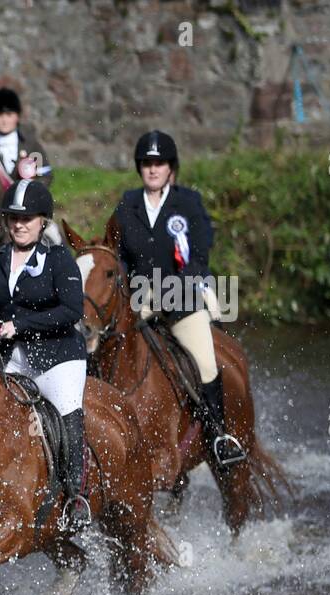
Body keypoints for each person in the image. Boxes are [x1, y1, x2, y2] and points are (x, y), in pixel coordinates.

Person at [0, 179, 91, 530]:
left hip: (58, 357)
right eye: (14, 217)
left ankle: (77, 497)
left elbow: (72, 310)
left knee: (66, 411)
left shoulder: (59, 259)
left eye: (28, 218)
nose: (19, 224)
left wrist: (22, 324)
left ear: (42, 221)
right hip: (9, 357)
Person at [112, 130, 244, 466]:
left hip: (182, 299)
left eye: (159, 163)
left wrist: (173, 291)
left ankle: (219, 437)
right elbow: (120, 256)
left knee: (206, 361)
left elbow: (199, 257)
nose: (152, 170)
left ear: (171, 167)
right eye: (146, 164)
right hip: (140, 298)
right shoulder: (127, 204)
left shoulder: (188, 203)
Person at [0, 87, 59, 244]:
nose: (4, 120)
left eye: (9, 115)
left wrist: (27, 197)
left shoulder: (31, 145)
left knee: (55, 239)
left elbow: (45, 176)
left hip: (27, 211)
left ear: (17, 116)